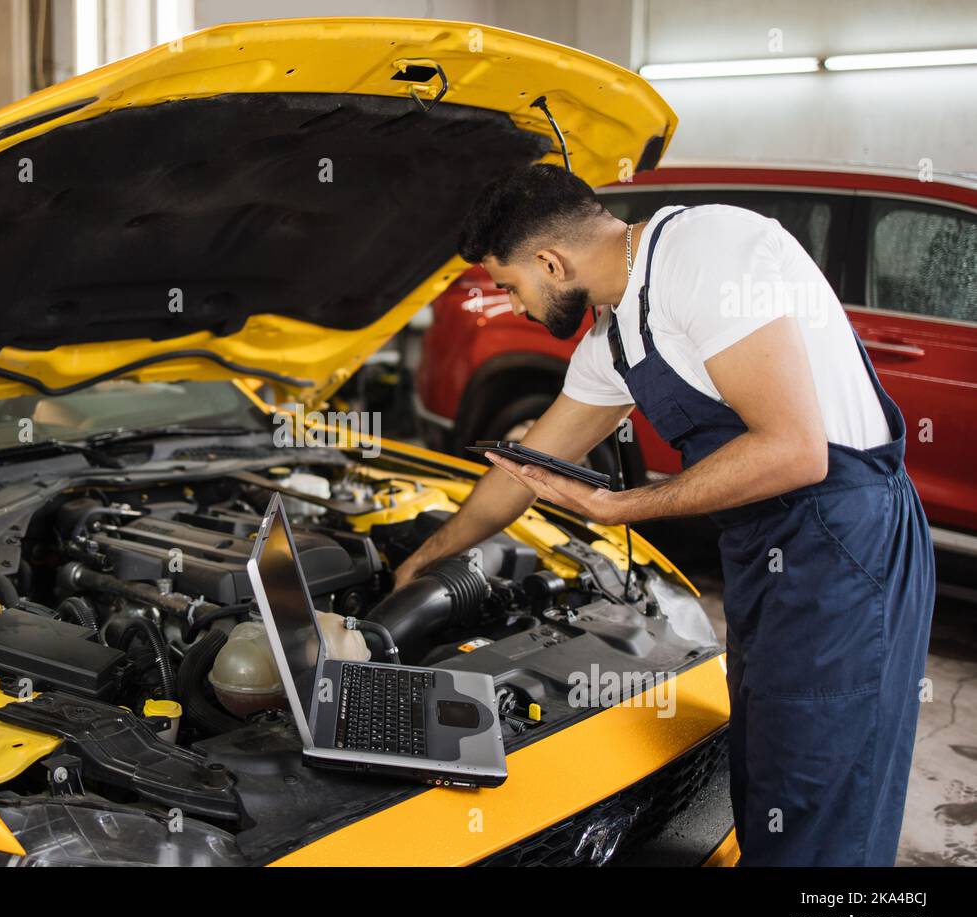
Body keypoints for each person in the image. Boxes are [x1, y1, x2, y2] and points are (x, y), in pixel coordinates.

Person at [394, 164, 934, 865]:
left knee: (823, 802)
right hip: (769, 555)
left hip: (844, 550)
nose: (516, 307)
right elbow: (524, 470)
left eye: (510, 286)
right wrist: (428, 558)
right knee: (766, 781)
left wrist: (622, 507)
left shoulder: (708, 253)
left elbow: (796, 451)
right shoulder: (615, 336)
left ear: (551, 261)